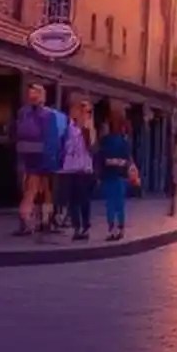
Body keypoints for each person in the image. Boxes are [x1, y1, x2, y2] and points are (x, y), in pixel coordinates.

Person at [14, 84, 56, 236]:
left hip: (25, 152)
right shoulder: (48, 115)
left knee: (30, 187)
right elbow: (50, 137)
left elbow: (17, 132)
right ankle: (42, 220)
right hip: (42, 153)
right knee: (44, 188)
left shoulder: (23, 112)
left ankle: (28, 219)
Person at [58, 96, 97, 241]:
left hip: (84, 169)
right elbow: (66, 146)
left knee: (84, 199)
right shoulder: (70, 128)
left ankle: (85, 227)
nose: (86, 115)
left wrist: (86, 129)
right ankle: (76, 227)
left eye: (88, 112)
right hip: (70, 168)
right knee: (72, 199)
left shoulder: (89, 130)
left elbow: (92, 148)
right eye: (84, 111)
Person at [99, 110, 134, 241]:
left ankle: (111, 230)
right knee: (119, 204)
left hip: (108, 175)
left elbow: (100, 158)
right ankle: (120, 229)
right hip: (120, 176)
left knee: (110, 204)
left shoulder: (105, 140)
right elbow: (127, 159)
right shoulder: (124, 142)